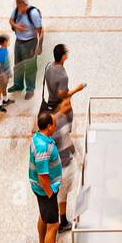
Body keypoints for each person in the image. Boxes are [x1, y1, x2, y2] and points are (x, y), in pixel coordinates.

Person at [41, 45, 85, 232]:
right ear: (64, 57)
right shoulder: (63, 76)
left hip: (49, 104)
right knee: (62, 192)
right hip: (61, 166)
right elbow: (62, 95)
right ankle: (62, 220)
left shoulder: (49, 66)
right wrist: (76, 90)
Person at [29, 109, 70, 243]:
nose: (56, 124)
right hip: (45, 191)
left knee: (43, 217)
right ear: (48, 127)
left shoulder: (38, 137)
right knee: (53, 225)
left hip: (41, 190)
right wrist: (50, 194)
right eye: (53, 122)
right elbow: (42, 176)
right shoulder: (42, 147)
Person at [9, 0, 43, 97]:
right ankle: (18, 85)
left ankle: (30, 89)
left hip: (30, 42)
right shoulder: (16, 11)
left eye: (20, 2)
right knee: (18, 64)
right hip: (19, 41)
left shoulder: (33, 14)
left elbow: (41, 31)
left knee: (30, 67)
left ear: (25, 2)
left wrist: (40, 46)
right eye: (17, 2)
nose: (18, 4)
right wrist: (16, 26)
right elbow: (10, 21)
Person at [0, 32, 14, 113]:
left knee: (4, 87)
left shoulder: (4, 50)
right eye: (8, 41)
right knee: (0, 88)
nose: (9, 42)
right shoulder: (3, 52)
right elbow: (5, 64)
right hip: (3, 73)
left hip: (4, 72)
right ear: (4, 42)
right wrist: (9, 73)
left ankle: (5, 99)